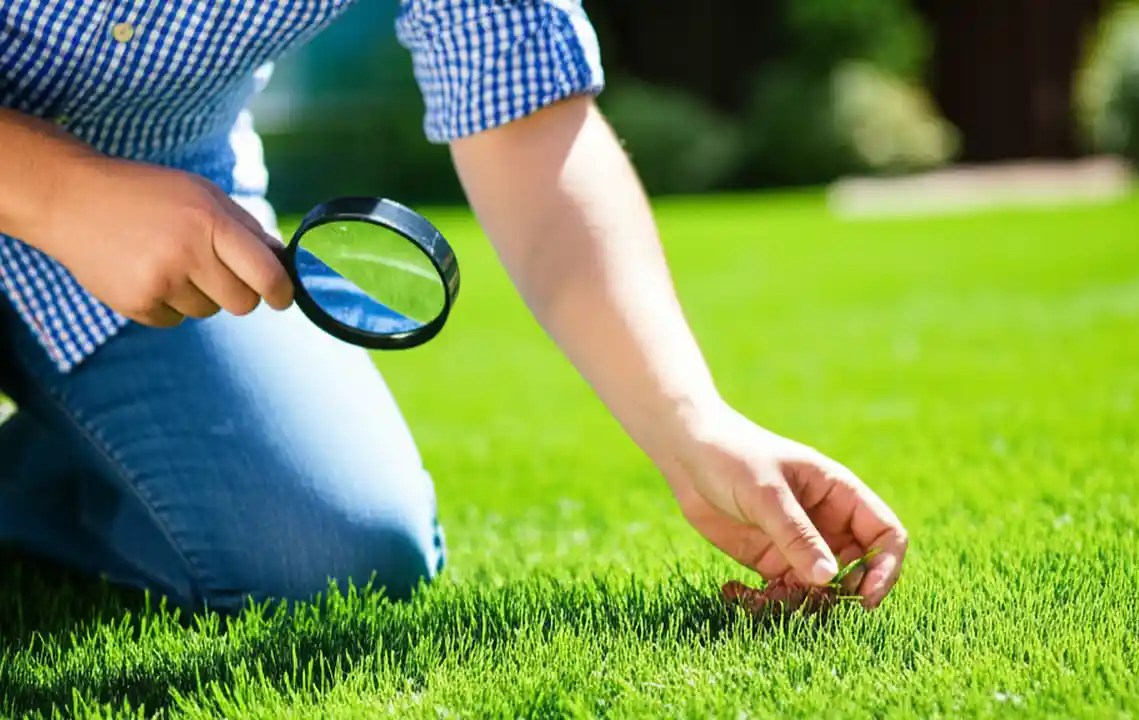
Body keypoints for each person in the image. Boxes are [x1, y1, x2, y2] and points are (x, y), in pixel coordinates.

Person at [0, 0, 907, 613]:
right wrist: (63, 199)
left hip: (169, 186)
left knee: (337, 553)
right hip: (69, 187)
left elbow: (527, 117)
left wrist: (689, 420)